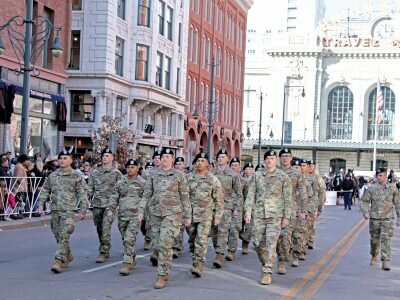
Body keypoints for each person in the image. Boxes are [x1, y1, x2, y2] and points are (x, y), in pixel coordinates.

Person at [138, 148, 191, 289]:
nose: (165, 159)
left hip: (172, 214)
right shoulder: (153, 175)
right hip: (155, 214)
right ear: (160, 159)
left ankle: (162, 274)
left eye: (168, 157)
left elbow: (185, 197)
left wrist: (187, 215)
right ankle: (165, 267)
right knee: (156, 244)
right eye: (163, 157)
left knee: (165, 244)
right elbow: (147, 194)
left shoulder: (179, 175)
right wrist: (141, 210)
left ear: (172, 159)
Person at [244, 149, 292, 285]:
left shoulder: (283, 177)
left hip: (275, 216)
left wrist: (286, 216)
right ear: (264, 161)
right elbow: (251, 195)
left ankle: (267, 271)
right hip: (259, 215)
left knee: (271, 244)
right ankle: (266, 262)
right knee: (258, 243)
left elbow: (288, 199)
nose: (270, 160)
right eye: (267, 158)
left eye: (272, 158)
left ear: (276, 160)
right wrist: (247, 212)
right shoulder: (257, 176)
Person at [37, 150, 87, 273]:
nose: (62, 160)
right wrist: (41, 204)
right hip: (55, 210)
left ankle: (58, 260)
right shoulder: (53, 176)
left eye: (65, 158)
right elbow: (45, 190)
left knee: (64, 233)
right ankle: (68, 255)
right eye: (61, 158)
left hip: (68, 210)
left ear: (70, 160)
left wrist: (83, 210)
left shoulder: (76, 176)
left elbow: (83, 193)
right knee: (58, 235)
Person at [186, 152, 224, 277]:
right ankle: (195, 258)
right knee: (192, 239)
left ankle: (199, 265)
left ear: (208, 164)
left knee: (201, 240)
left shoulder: (213, 180)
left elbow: (219, 199)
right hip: (190, 215)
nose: (200, 163)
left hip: (205, 215)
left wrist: (218, 216)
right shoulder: (188, 178)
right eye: (198, 161)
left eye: (202, 161)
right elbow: (182, 196)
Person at [108, 159, 146, 276]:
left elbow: (146, 199)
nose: (130, 169)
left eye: (133, 167)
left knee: (129, 238)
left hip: (135, 216)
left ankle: (127, 263)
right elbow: (114, 196)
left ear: (138, 168)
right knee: (125, 239)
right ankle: (132, 255)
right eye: (128, 167)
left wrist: (144, 214)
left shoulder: (142, 183)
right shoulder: (121, 181)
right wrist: (111, 211)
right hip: (123, 215)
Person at [88, 148, 123, 263]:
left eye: (107, 155)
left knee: (105, 228)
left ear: (112, 158)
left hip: (110, 206)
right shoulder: (95, 172)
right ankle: (104, 244)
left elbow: (122, 189)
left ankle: (103, 251)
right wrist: (85, 199)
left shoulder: (117, 173)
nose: (105, 157)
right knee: (99, 228)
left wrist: (120, 203)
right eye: (103, 155)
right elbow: (90, 188)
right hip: (97, 204)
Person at [361, 168, 400, 271]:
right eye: (377, 175)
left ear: (385, 176)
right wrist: (365, 212)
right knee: (374, 239)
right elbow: (364, 201)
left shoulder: (393, 188)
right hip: (375, 218)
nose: (378, 177)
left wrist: (399, 217)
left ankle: (385, 261)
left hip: (387, 218)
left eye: (380, 175)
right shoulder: (372, 188)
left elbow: (398, 203)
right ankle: (374, 255)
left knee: (386, 239)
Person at [277, 148, 307, 274]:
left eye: (287, 156)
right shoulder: (274, 172)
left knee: (285, 236)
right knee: (273, 238)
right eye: (282, 156)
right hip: (274, 210)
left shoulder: (296, 174)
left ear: (291, 158)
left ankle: (282, 262)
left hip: (290, 210)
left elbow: (303, 193)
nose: (285, 158)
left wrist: (303, 210)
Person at [211, 149, 243, 267]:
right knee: (213, 231)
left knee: (223, 230)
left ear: (227, 159)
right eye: (219, 157)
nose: (221, 159)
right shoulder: (211, 174)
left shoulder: (233, 175)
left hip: (227, 206)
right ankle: (218, 249)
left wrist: (237, 209)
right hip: (213, 206)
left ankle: (220, 254)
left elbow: (239, 193)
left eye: (223, 157)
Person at [141, 150, 162, 251]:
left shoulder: (165, 172)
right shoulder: (147, 173)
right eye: (155, 158)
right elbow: (142, 185)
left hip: (160, 201)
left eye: (159, 158)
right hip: (148, 200)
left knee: (155, 221)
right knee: (145, 221)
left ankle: (149, 240)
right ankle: (148, 236)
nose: (157, 160)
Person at [226, 157, 243, 260]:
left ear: (239, 167)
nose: (234, 167)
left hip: (237, 209)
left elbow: (243, 195)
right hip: (227, 207)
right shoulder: (227, 177)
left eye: (236, 165)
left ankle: (231, 251)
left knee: (234, 230)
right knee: (225, 230)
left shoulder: (243, 180)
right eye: (232, 165)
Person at [239, 162, 255, 254]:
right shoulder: (241, 180)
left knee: (249, 228)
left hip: (251, 208)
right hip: (241, 206)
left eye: (250, 169)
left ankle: (245, 245)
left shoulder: (255, 181)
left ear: (252, 170)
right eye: (246, 169)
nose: (248, 171)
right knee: (238, 226)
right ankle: (241, 236)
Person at [173, 156, 187, 258]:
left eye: (180, 164)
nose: (178, 166)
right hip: (172, 205)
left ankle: (177, 247)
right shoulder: (171, 176)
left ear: (184, 166)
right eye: (177, 164)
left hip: (182, 205)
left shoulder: (187, 177)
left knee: (180, 227)